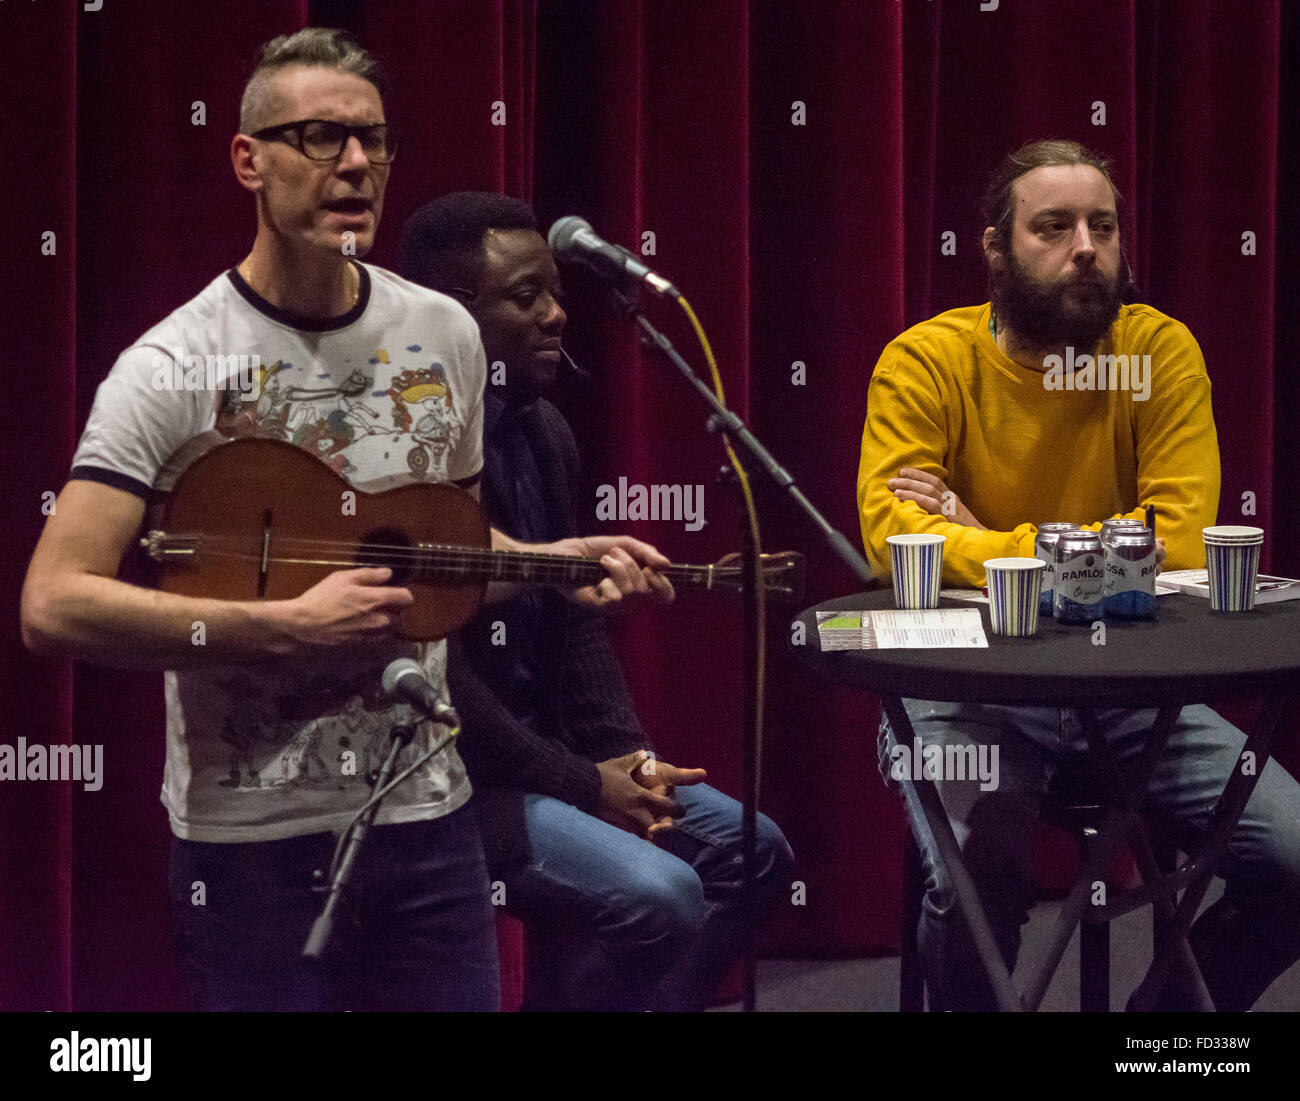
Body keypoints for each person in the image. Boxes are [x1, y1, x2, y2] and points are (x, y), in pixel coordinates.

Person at [20, 30, 671, 1012]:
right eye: (319, 138)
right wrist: (279, 627)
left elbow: (434, 559)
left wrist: (552, 561)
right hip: (253, 848)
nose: (356, 165)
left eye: (372, 140)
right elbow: (53, 602)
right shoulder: (172, 366)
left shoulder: (440, 334)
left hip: (430, 823)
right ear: (249, 160)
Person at [857, 139, 1300, 1011]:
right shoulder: (924, 360)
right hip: (971, 688)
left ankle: (1157, 1038)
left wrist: (984, 535)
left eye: (1102, 225)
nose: (1087, 247)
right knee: (976, 867)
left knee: (1294, 857)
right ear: (995, 249)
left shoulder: (1159, 352)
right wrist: (1090, 551)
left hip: (1135, 686)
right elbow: (890, 535)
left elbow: (1174, 544)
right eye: (1053, 227)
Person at [398, 191, 795, 1011]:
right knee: (662, 896)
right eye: (523, 297)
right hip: (457, 784)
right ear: (450, 315)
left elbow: (571, 623)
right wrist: (585, 783)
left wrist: (629, 762)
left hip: (554, 760)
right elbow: (440, 675)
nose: (554, 314)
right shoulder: (411, 447)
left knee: (756, 850)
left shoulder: (546, 431)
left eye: (555, 292)